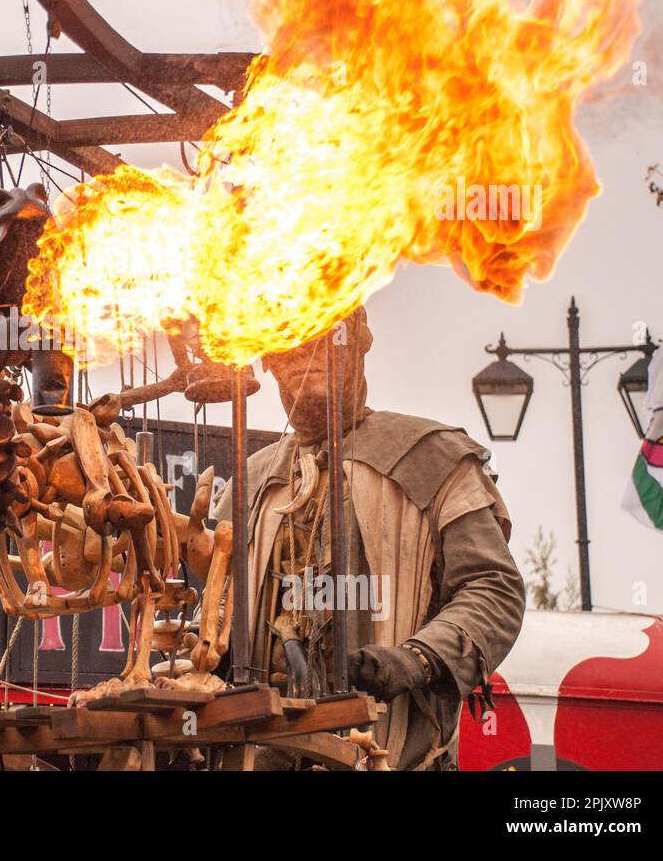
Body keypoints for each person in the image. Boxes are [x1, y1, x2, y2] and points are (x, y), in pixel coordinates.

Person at [215, 307, 526, 769]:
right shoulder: (251, 482)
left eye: (324, 337)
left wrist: (418, 659)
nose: (307, 352)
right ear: (268, 361)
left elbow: (493, 589)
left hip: (393, 756)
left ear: (358, 345)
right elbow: (212, 616)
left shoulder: (432, 459)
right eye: (291, 344)